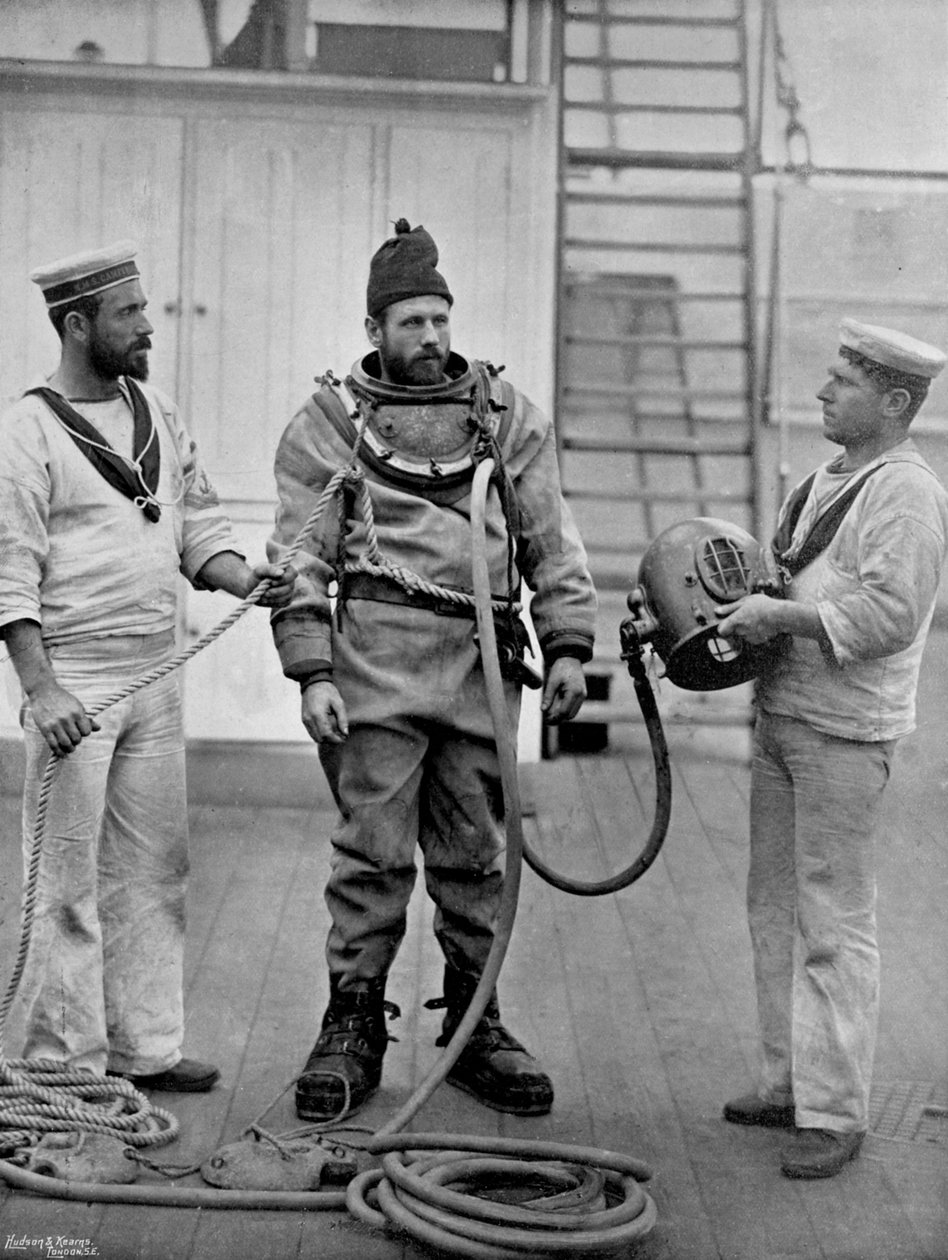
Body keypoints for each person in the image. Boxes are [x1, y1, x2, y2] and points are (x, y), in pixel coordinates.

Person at [268, 219, 596, 1122]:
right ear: (375, 329)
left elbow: (551, 539)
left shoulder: (506, 417)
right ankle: (351, 1022)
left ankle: (474, 1022)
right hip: (373, 666)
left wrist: (569, 645)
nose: (430, 336)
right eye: (411, 322)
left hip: (482, 669)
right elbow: (299, 558)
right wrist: (312, 671)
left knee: (475, 857)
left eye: (440, 319)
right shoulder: (331, 425)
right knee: (370, 855)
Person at [0, 242, 296, 1093]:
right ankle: (64, 1068)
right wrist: (42, 688)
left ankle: (147, 1048)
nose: (147, 328)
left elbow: (196, 528)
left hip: (156, 677)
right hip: (76, 686)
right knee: (65, 887)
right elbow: (10, 572)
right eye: (128, 313)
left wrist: (248, 579)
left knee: (156, 870)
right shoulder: (26, 434)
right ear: (77, 324)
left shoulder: (157, 412)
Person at [715, 318, 948, 1179]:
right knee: (774, 910)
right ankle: (788, 1084)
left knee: (834, 921)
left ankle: (836, 1111)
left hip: (846, 734)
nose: (822, 392)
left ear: (894, 402)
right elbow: (785, 574)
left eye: (844, 383)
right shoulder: (825, 480)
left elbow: (892, 617)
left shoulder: (906, 494)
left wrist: (778, 616)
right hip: (784, 716)